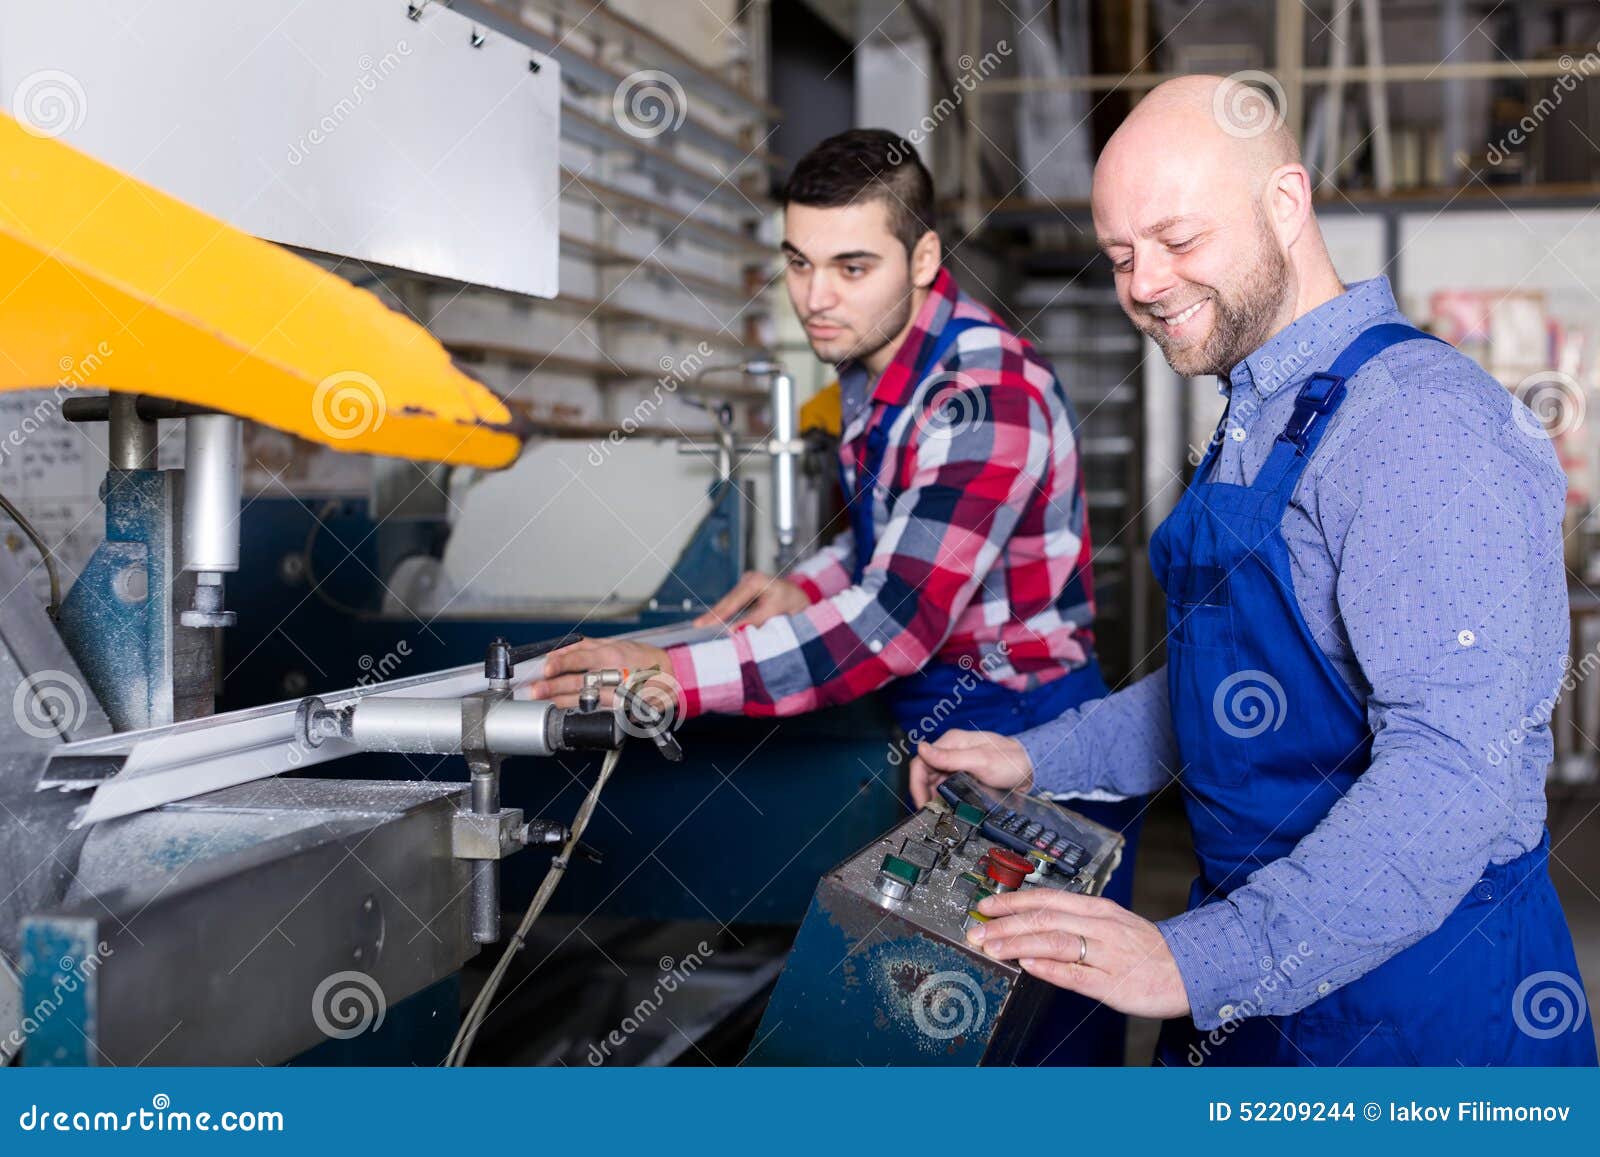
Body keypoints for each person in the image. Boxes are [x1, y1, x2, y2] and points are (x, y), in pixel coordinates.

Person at [910, 74, 1597, 1066]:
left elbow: (1454, 775)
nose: (1143, 283)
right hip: (1259, 987)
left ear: (1284, 203)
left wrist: (1196, 958)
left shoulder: (1417, 425)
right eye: (1119, 255)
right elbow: (1231, 691)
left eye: (1178, 240)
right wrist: (1033, 760)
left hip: (1418, 1011)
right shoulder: (1264, 411)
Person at [531, 128, 1143, 1064]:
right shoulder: (878, 368)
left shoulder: (984, 392)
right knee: (948, 1043)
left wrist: (670, 672)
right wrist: (799, 586)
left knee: (1037, 1050)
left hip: (1028, 738)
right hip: (943, 728)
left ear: (925, 256)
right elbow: (882, 545)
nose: (817, 297)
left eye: (852, 266)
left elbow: (893, 624)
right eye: (800, 262)